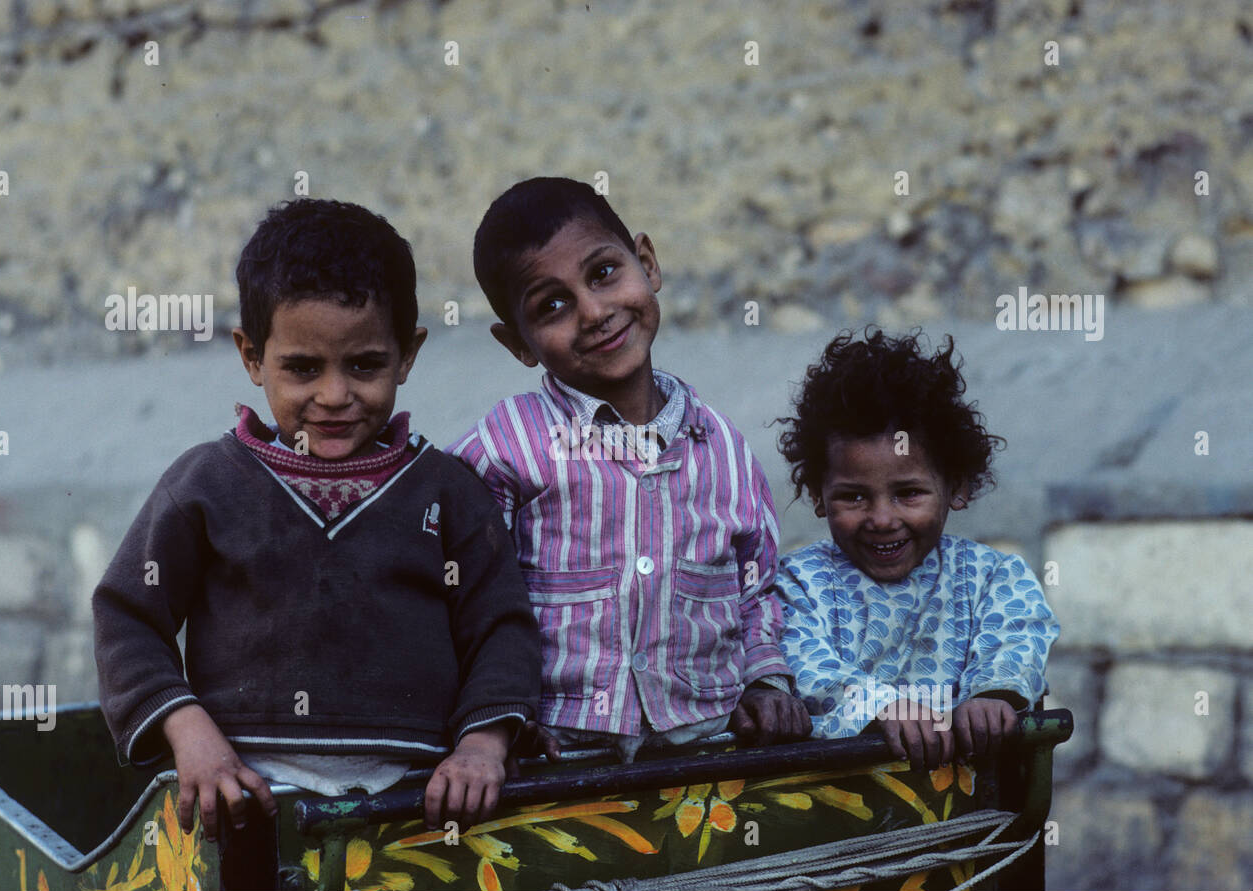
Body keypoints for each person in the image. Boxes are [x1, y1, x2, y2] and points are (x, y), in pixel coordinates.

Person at [93, 198, 539, 840]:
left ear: (407, 355)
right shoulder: (207, 484)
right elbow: (127, 615)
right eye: (302, 368)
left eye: (365, 364)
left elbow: (502, 627)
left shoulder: (447, 492)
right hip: (243, 799)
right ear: (251, 356)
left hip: (420, 808)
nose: (334, 396)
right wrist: (190, 735)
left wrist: (482, 746)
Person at [450, 177, 810, 764]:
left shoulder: (725, 450)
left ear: (647, 262)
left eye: (604, 274)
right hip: (554, 761)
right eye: (553, 305)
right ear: (517, 343)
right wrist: (496, 722)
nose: (594, 312)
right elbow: (468, 604)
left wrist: (765, 681)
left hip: (709, 746)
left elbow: (756, 586)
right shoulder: (502, 450)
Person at [774, 327, 1057, 769]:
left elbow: (1017, 641)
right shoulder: (798, 584)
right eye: (853, 496)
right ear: (816, 494)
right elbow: (803, 665)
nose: (882, 519)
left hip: (970, 821)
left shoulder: (994, 578)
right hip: (841, 816)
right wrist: (882, 708)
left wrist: (991, 695)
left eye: (908, 493)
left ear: (957, 488)